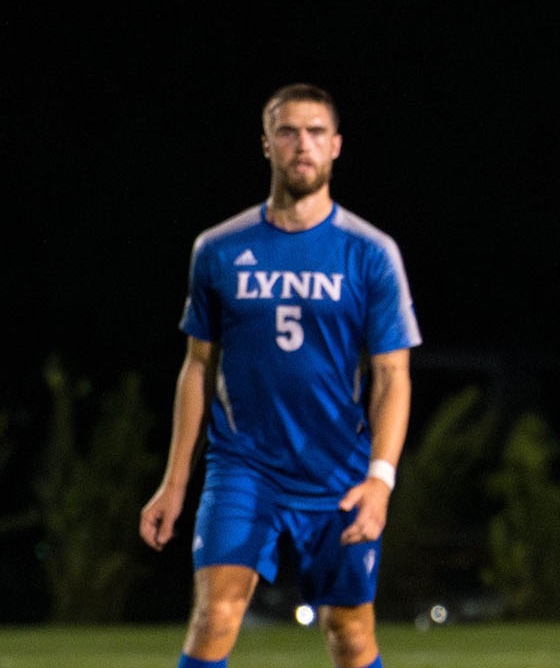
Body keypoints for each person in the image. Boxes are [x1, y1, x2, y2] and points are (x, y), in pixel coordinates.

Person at [139, 84, 421, 668]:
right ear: (266, 144)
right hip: (243, 465)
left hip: (338, 468)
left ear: (336, 146)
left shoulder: (370, 252)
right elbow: (198, 365)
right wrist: (175, 480)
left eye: (316, 132)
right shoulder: (218, 249)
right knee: (216, 614)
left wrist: (381, 479)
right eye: (288, 132)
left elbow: (393, 375)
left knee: (349, 631)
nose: (302, 145)